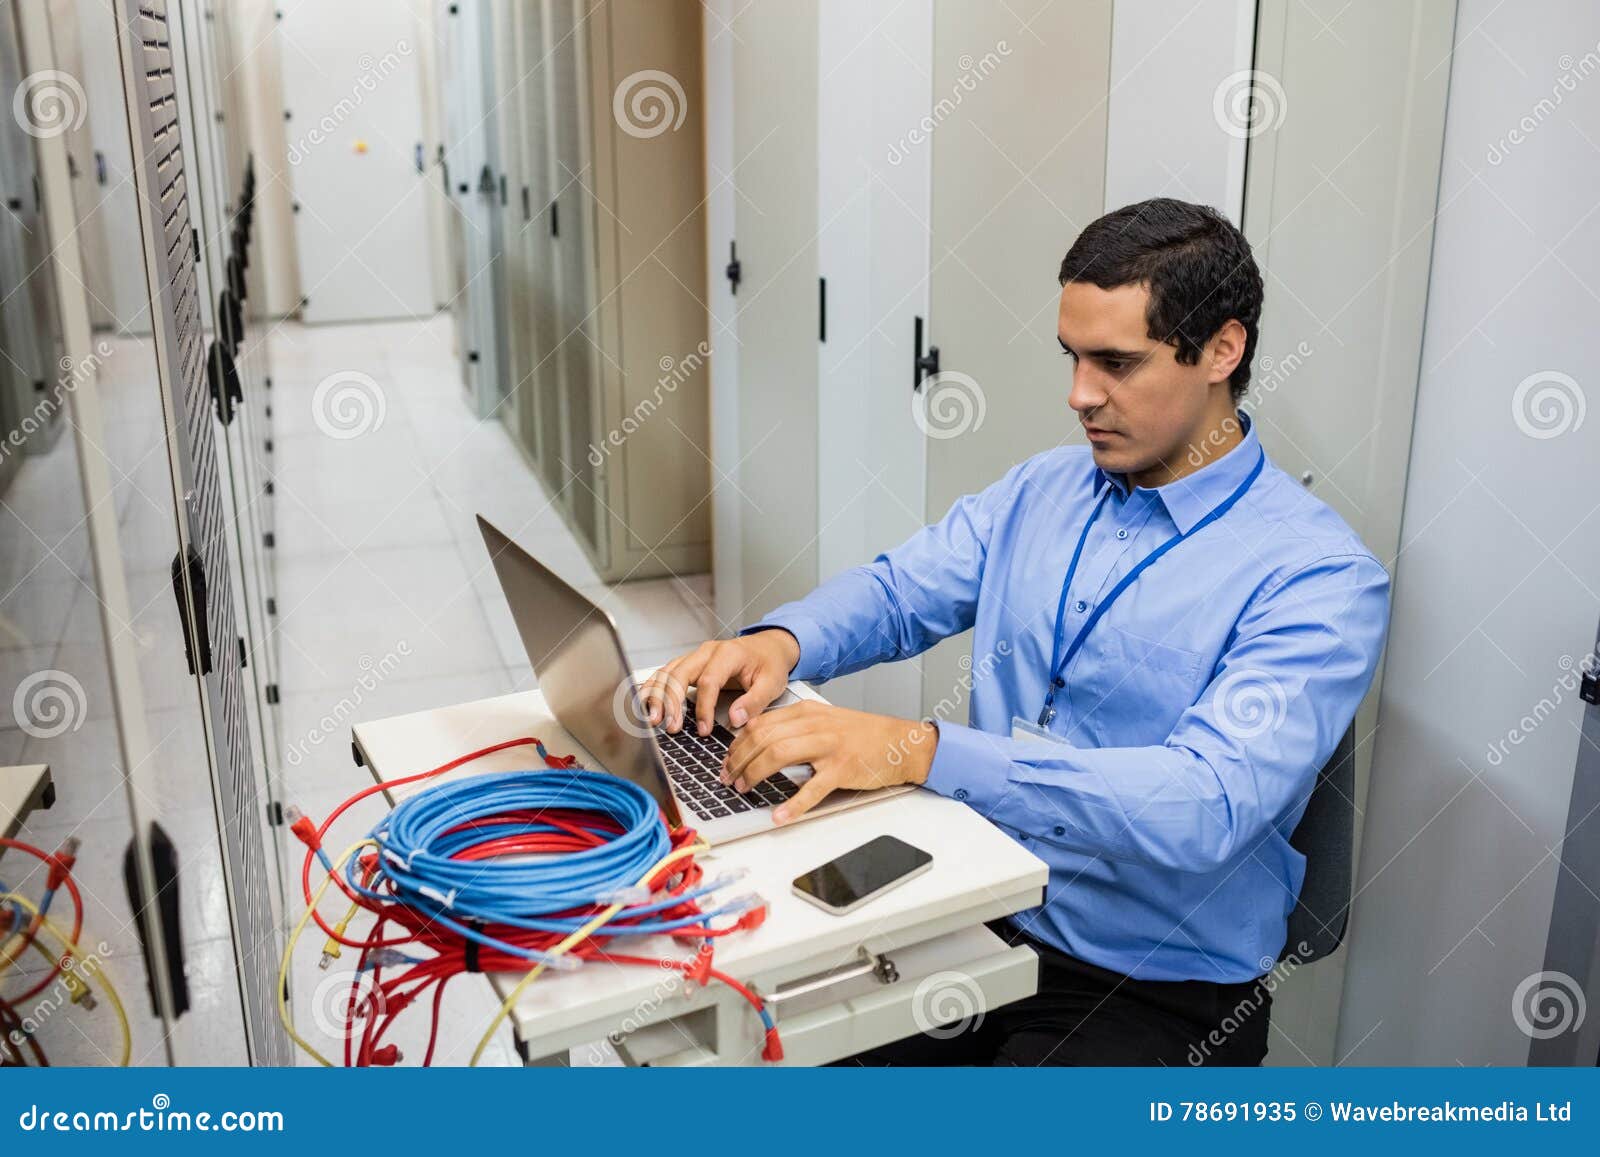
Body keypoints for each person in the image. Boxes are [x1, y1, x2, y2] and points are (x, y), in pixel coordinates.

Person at [640, 197, 1391, 1066]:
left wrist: (925, 751)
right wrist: (780, 642)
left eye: (1116, 363)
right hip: (970, 904)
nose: (1079, 395)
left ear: (1224, 349)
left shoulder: (1318, 577)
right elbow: (898, 593)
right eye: (1072, 358)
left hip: (1151, 983)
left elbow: (1205, 804)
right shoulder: (1047, 487)